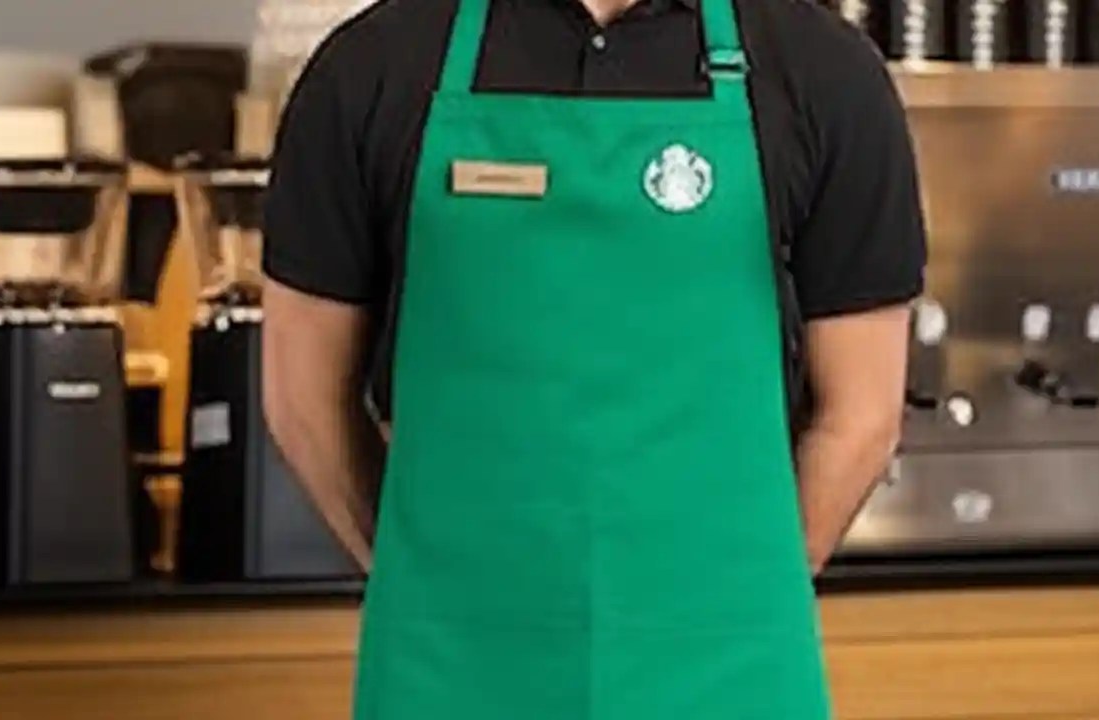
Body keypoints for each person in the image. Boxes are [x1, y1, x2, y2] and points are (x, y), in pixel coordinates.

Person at [261, 0, 926, 716]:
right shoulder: (371, 68)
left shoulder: (823, 72)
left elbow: (862, 416)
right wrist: (424, 583)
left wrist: (733, 600)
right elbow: (303, 400)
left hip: (727, 676)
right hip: (452, 675)